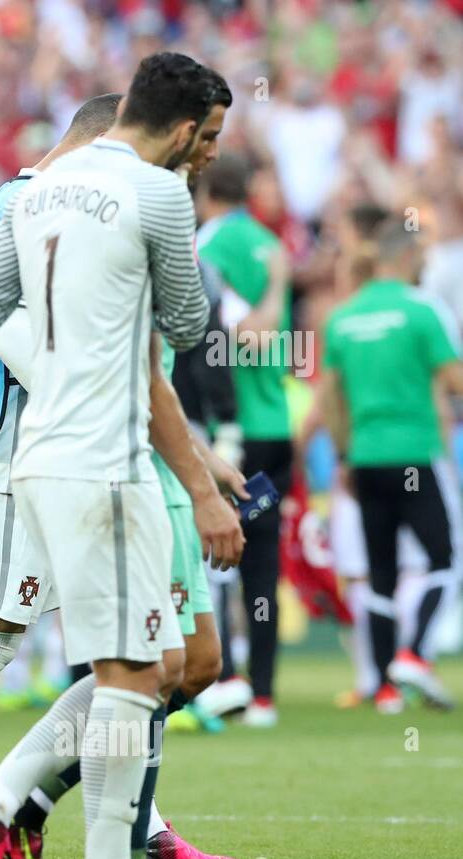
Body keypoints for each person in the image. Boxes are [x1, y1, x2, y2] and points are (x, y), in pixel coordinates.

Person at [0, 53, 243, 859]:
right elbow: (188, 328)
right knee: (133, 677)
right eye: (205, 140)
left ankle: (4, 799)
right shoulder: (161, 196)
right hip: (108, 457)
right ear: (179, 130)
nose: (206, 157)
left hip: (34, 459)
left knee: (153, 665)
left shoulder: (33, 194)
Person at [319, 220, 463, 713]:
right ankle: (415, 653)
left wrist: (342, 455)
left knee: (380, 572)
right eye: (421, 256)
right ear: (404, 258)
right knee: (444, 557)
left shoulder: (344, 317)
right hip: (413, 453)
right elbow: (454, 379)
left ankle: (384, 687)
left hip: (364, 457)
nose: (426, 263)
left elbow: (331, 397)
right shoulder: (423, 311)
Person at [194, 153, 294, 728]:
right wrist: (280, 280)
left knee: (217, 556)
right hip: (276, 427)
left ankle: (224, 680)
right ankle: (263, 695)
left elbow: (243, 341)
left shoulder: (205, 248)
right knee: (263, 562)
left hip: (231, 435)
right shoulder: (266, 243)